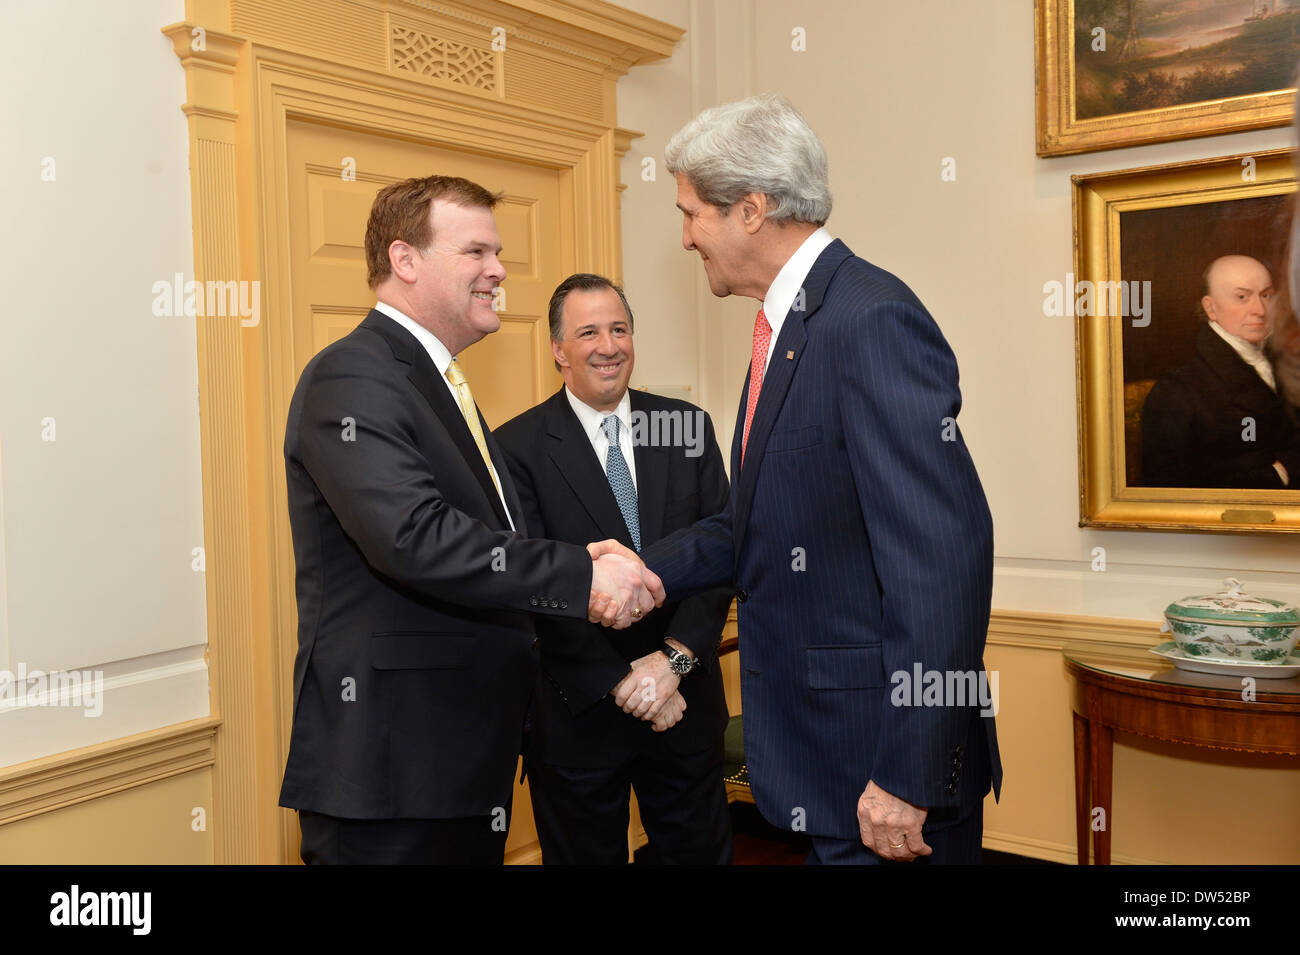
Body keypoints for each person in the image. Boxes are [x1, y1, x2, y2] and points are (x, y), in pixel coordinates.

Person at [594, 94, 1002, 865]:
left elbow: (943, 560)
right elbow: (755, 523)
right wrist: (644, 565)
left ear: (751, 208)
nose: (683, 238)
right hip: (829, 766)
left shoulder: (867, 320)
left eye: (690, 214)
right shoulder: (787, 329)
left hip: (881, 776)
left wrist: (908, 773)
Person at [278, 175, 663, 864]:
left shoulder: (437, 380)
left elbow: (485, 542)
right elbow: (415, 537)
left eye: (499, 252)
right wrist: (582, 574)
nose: (499, 271)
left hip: (455, 763)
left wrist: (581, 553)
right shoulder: (354, 376)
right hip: (394, 772)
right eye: (477, 252)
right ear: (405, 260)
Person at [495, 273, 733, 864]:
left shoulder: (686, 428)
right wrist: (622, 682)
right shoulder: (515, 447)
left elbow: (725, 552)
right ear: (558, 350)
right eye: (588, 332)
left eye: (619, 329)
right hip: (579, 716)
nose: (608, 345)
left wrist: (673, 662)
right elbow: (527, 582)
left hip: (683, 706)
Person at [1141, 254, 1300, 489]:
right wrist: (1279, 474)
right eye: (1242, 297)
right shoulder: (1177, 390)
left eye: (1265, 295)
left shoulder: (1287, 363)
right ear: (1211, 308)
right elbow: (1168, 486)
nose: (1259, 309)